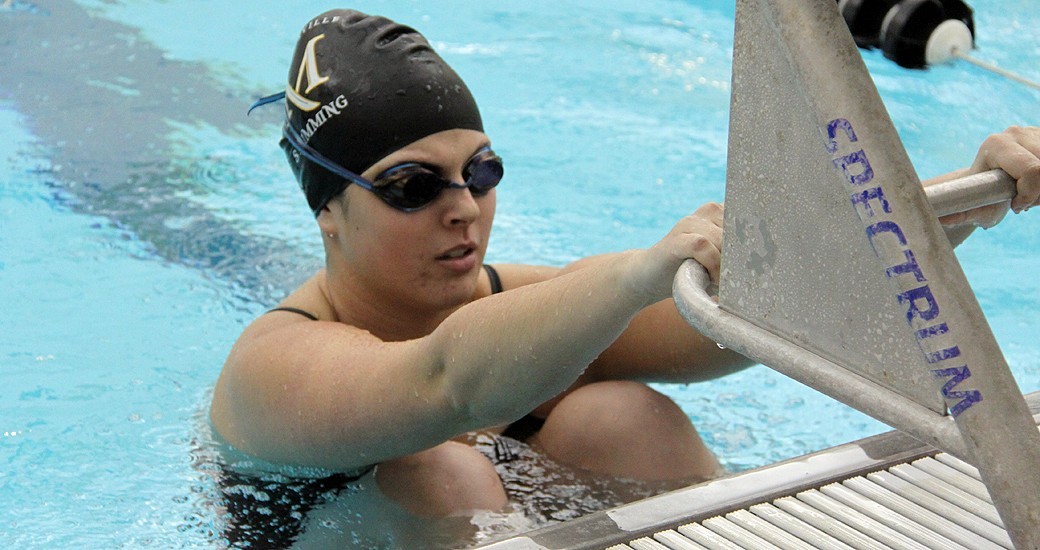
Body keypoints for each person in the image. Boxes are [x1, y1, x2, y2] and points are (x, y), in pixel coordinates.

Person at [210, 8, 1040, 518]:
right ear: (327, 209)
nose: (462, 204)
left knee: (623, 421)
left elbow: (763, 312)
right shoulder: (275, 368)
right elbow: (442, 383)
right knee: (440, 476)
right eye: (412, 185)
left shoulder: (518, 303)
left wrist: (957, 207)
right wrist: (641, 271)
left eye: (482, 171)